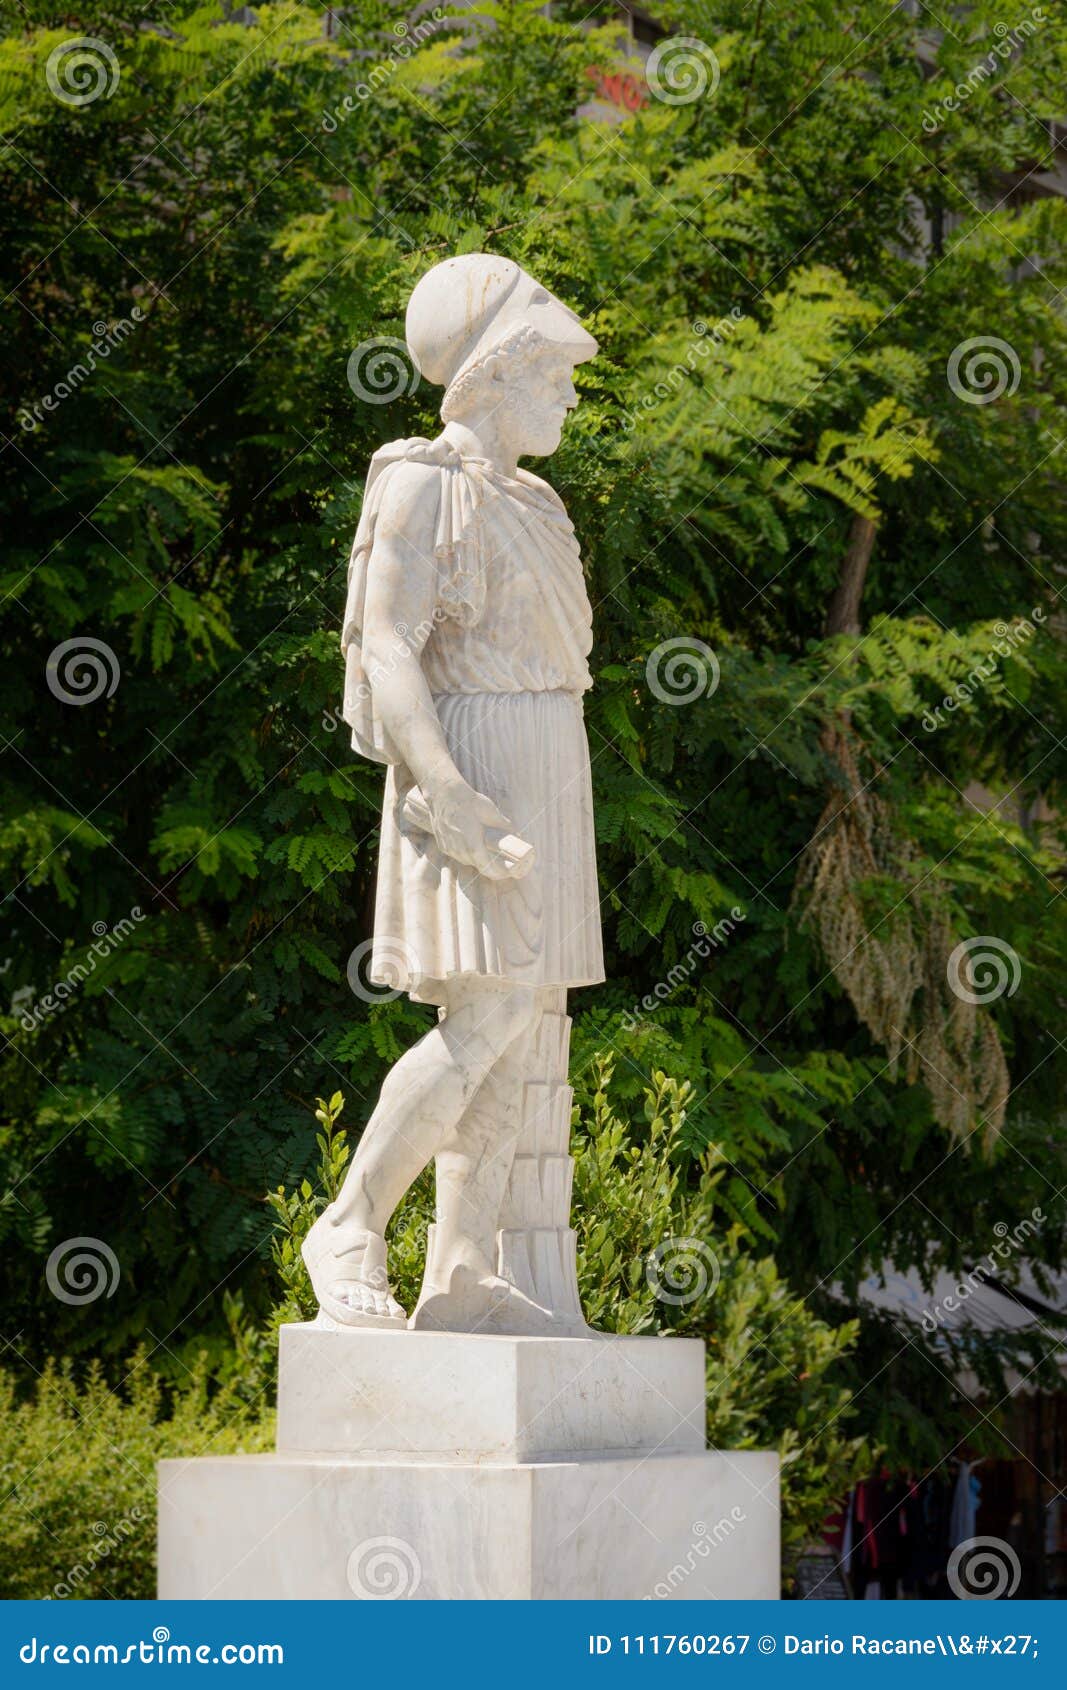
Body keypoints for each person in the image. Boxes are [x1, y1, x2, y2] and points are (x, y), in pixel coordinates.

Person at [302, 254, 604, 1332]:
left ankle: (463, 1269)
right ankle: (349, 1222)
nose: (570, 391)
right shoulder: (422, 479)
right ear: (499, 370)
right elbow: (387, 645)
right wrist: (446, 787)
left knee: (522, 1028)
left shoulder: (533, 498)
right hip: (470, 755)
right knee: (484, 1018)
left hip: (545, 757)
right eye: (555, 372)